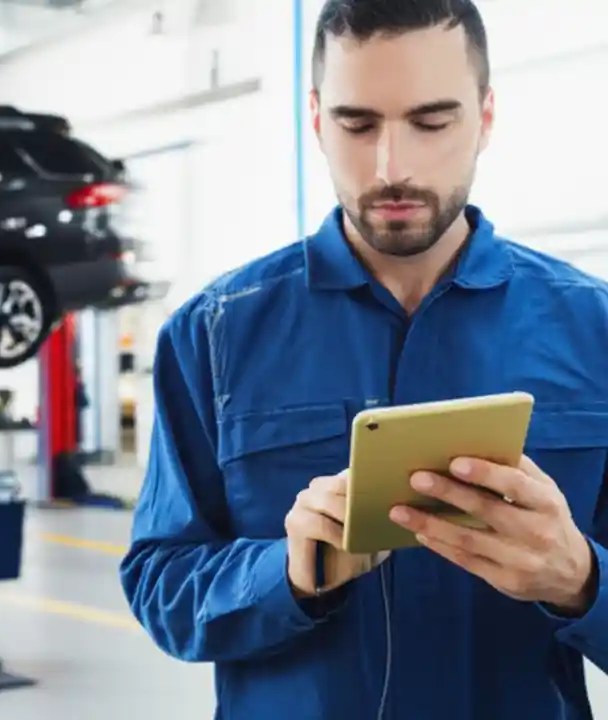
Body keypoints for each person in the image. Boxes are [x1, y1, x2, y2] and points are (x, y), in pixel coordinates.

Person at [119, 1, 608, 718]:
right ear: (317, 120)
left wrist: (582, 579)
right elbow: (161, 581)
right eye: (358, 125)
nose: (392, 167)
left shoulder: (595, 330)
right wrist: (286, 574)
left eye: (431, 123)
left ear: (485, 117)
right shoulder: (214, 334)